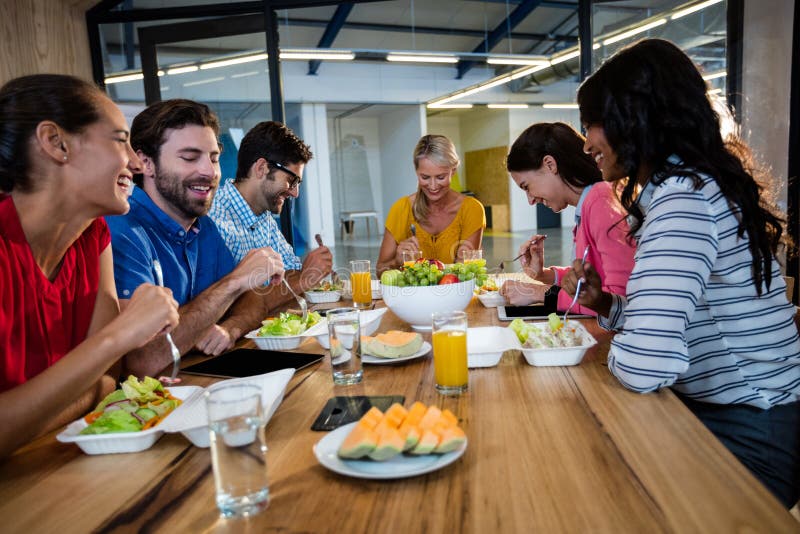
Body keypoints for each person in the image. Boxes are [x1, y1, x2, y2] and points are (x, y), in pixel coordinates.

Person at [564, 38, 800, 507]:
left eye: (592, 123)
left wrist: (628, 349)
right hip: (739, 414)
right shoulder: (696, 184)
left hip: (751, 432)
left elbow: (645, 365)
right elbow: (687, 321)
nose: (587, 141)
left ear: (637, 117)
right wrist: (609, 305)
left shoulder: (684, 200)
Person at [0, 74, 180, 458]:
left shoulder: (93, 236)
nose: (135, 162)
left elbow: (108, 378)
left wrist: (32, 415)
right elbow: (99, 379)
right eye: (120, 140)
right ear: (56, 143)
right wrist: (121, 334)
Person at [106, 99, 285, 377]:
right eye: (190, 157)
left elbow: (251, 300)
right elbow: (143, 361)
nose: (210, 171)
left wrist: (229, 328)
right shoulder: (122, 231)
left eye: (214, 158)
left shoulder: (204, 228)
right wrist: (233, 282)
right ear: (146, 163)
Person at [499, 122, 634, 313]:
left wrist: (542, 293)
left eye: (527, 186)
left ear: (550, 164)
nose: (530, 200)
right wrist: (546, 276)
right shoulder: (589, 205)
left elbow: (620, 302)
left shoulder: (601, 201)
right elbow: (592, 281)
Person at [208, 121, 332, 295]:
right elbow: (237, 303)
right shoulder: (215, 220)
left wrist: (306, 272)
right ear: (261, 168)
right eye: (291, 181)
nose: (295, 193)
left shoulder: (264, 218)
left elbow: (290, 272)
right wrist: (306, 276)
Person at [377, 134, 485, 275]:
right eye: (425, 177)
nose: (433, 186)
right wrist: (396, 262)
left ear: (453, 171)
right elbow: (380, 271)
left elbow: (465, 273)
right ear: (416, 172)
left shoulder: (472, 209)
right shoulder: (401, 209)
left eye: (440, 177)